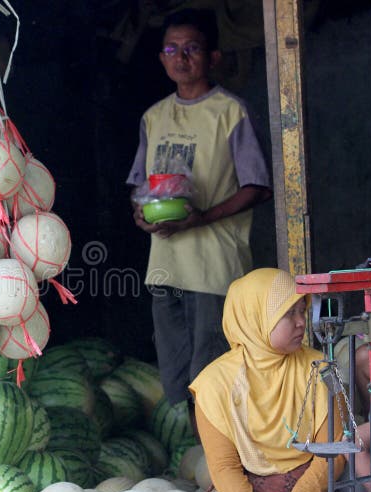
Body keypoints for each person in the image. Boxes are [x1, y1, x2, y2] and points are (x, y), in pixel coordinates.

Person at [126, 9, 272, 406]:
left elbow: (258, 187)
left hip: (214, 269)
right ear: (161, 59)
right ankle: (194, 461)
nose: (181, 57)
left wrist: (202, 218)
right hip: (165, 266)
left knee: (212, 376)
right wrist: (141, 214)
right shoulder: (153, 118)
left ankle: (218, 463)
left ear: (213, 57)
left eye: (192, 48)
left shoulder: (230, 112)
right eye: (171, 49)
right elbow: (139, 185)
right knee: (175, 380)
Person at [187, 268, 368, 492]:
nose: (300, 322)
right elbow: (224, 467)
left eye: (301, 311)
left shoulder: (321, 369)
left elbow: (333, 451)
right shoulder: (213, 384)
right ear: (255, 319)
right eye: (288, 313)